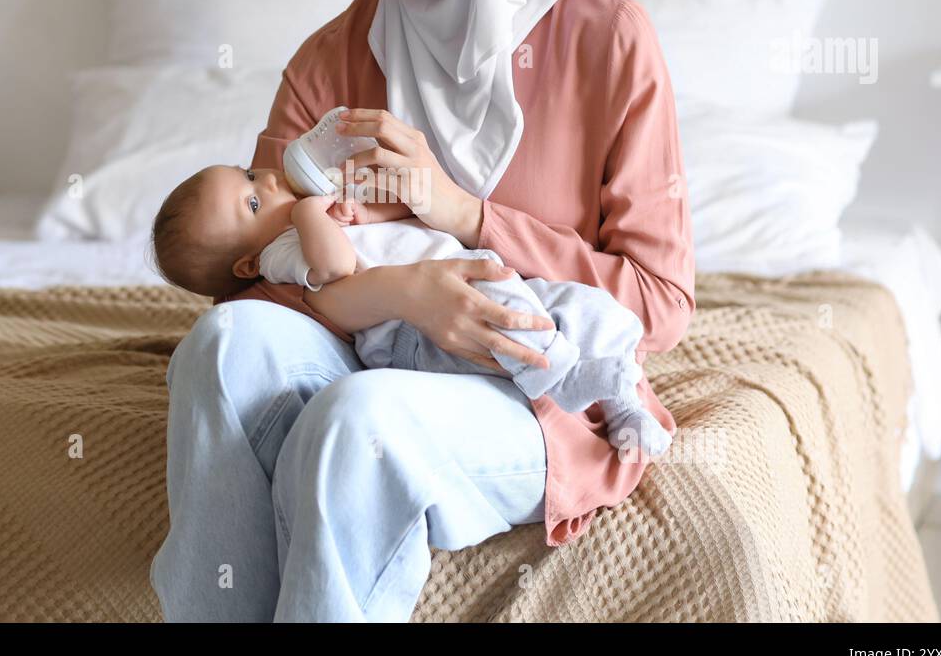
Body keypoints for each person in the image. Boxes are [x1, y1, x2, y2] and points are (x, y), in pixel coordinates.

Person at [151, 0, 694, 623]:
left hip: (537, 394)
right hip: (370, 349)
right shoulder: (331, 57)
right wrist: (403, 293)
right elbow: (256, 274)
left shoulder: (606, 40)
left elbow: (661, 305)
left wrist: (466, 216)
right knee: (221, 345)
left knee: (356, 423)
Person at [150, 162, 673, 455]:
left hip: (471, 272)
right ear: (246, 266)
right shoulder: (281, 252)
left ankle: (622, 401)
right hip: (412, 334)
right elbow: (334, 268)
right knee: (513, 323)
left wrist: (358, 208)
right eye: (252, 203)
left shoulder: (302, 221)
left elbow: (408, 218)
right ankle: (564, 378)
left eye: (246, 174)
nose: (264, 181)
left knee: (589, 307)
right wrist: (314, 214)